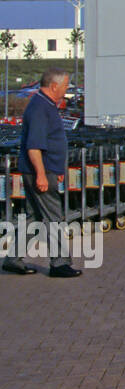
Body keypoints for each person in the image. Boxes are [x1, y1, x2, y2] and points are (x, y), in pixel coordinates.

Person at [5, 67, 80, 277]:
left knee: (34, 218)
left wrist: (57, 168)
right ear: (54, 86)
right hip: (40, 171)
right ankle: (59, 264)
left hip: (46, 169)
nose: (66, 90)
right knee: (53, 217)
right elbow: (34, 146)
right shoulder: (39, 108)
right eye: (65, 86)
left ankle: (13, 259)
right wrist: (40, 174)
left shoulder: (45, 105)